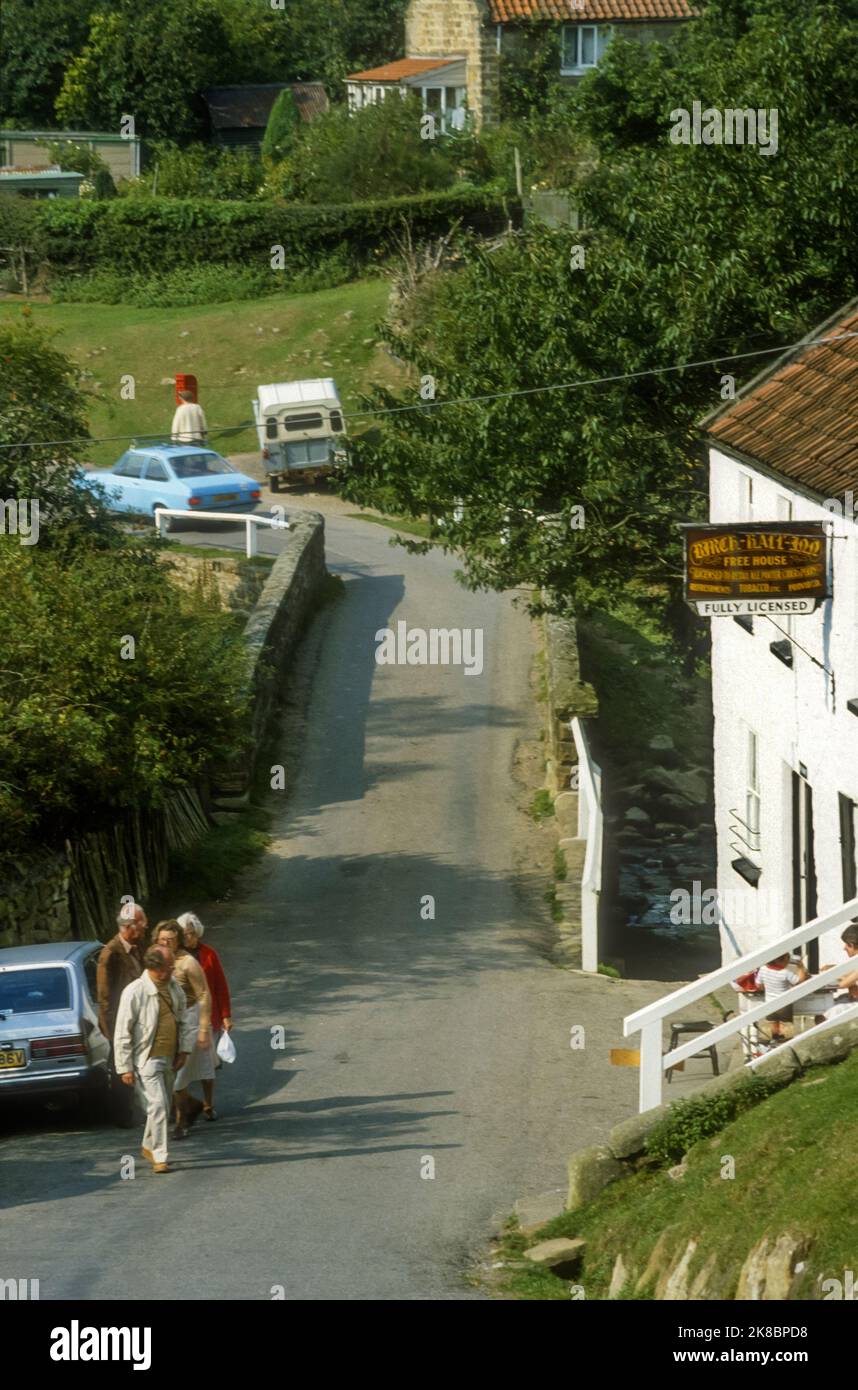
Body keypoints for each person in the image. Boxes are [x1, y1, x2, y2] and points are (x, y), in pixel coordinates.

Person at [113, 946, 194, 1174]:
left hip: (169, 1057)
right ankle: (160, 1157)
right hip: (145, 1059)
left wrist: (184, 1051)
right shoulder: (135, 991)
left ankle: (149, 1146)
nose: (172, 969)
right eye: (169, 967)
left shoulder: (174, 987)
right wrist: (124, 1067)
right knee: (158, 1105)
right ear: (157, 969)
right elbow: (122, 1031)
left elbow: (185, 1021)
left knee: (161, 1106)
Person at [152, 920, 213, 1138]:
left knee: (178, 1076)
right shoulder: (154, 958)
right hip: (164, 1023)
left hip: (188, 1020)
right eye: (162, 939)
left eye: (171, 939)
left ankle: (181, 1121)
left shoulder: (188, 962)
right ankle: (192, 1105)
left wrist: (204, 1028)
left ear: (178, 940)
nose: (166, 943)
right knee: (167, 1074)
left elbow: (204, 994)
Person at [177, 911, 232, 1121]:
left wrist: (226, 1015)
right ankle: (183, 1108)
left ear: (197, 933)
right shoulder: (176, 957)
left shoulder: (209, 954)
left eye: (191, 934)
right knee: (182, 1066)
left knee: (208, 1065)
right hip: (185, 1017)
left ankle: (208, 1104)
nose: (188, 938)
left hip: (209, 1017)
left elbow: (220, 986)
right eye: (184, 934)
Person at [96, 901, 146, 1126]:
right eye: (141, 923)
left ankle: (143, 1109)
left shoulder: (137, 946)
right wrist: (113, 1034)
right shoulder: (110, 954)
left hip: (139, 1019)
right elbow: (105, 998)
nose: (145, 927)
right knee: (120, 1069)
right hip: (120, 1023)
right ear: (128, 926)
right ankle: (122, 1116)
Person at [758, 951, 809, 1042]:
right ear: (779, 961)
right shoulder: (785, 973)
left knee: (772, 1025)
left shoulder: (763, 969)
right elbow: (799, 981)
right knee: (785, 1027)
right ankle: (784, 1041)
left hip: (769, 1003)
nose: (788, 963)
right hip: (784, 1004)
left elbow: (759, 985)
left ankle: (772, 1041)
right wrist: (801, 968)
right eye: (787, 960)